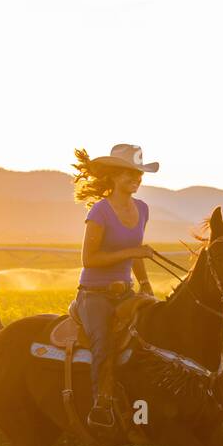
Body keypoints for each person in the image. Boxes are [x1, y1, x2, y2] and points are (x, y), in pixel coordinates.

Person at [71, 144, 157, 428]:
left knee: (155, 332)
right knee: (103, 343)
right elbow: (89, 259)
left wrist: (145, 284)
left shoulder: (142, 209)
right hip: (94, 295)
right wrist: (132, 253)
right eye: (130, 173)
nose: (137, 178)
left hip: (127, 293)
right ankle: (101, 404)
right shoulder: (100, 211)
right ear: (114, 176)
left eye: (139, 173)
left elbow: (137, 252)